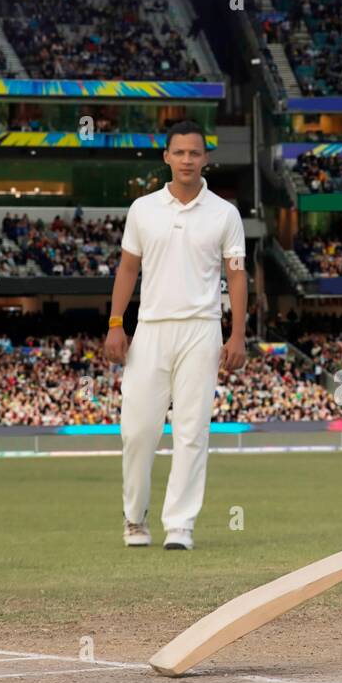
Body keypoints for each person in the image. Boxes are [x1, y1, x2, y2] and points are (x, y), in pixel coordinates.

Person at [105, 120, 246, 551]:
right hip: (149, 328)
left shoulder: (225, 212)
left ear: (205, 157)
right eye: (179, 152)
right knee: (138, 430)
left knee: (191, 431)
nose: (187, 160)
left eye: (195, 153)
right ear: (166, 156)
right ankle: (135, 519)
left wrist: (237, 334)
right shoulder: (142, 209)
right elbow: (129, 268)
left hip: (202, 330)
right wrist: (115, 323)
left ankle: (180, 526)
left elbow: (237, 276)